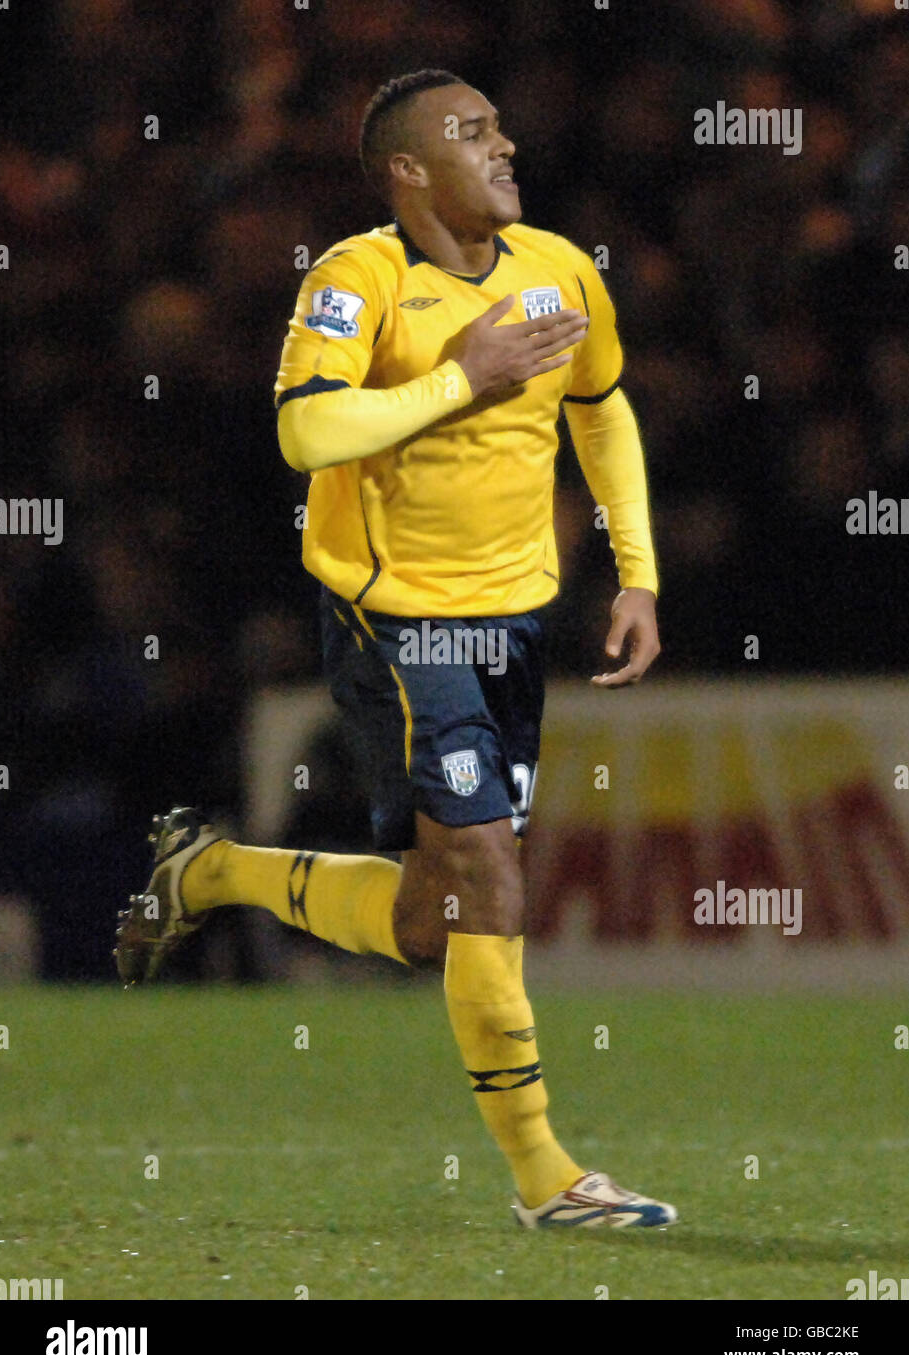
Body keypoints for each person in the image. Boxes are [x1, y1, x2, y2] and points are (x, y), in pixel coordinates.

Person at [115, 70, 675, 1232]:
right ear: (411, 171)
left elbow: (602, 406)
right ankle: (547, 1178)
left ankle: (209, 872)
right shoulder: (356, 279)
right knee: (488, 877)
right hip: (397, 617)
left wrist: (637, 570)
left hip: (513, 618)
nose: (506, 143)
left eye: (500, 125)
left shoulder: (559, 267)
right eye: (473, 133)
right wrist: (461, 375)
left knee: (434, 921)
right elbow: (306, 428)